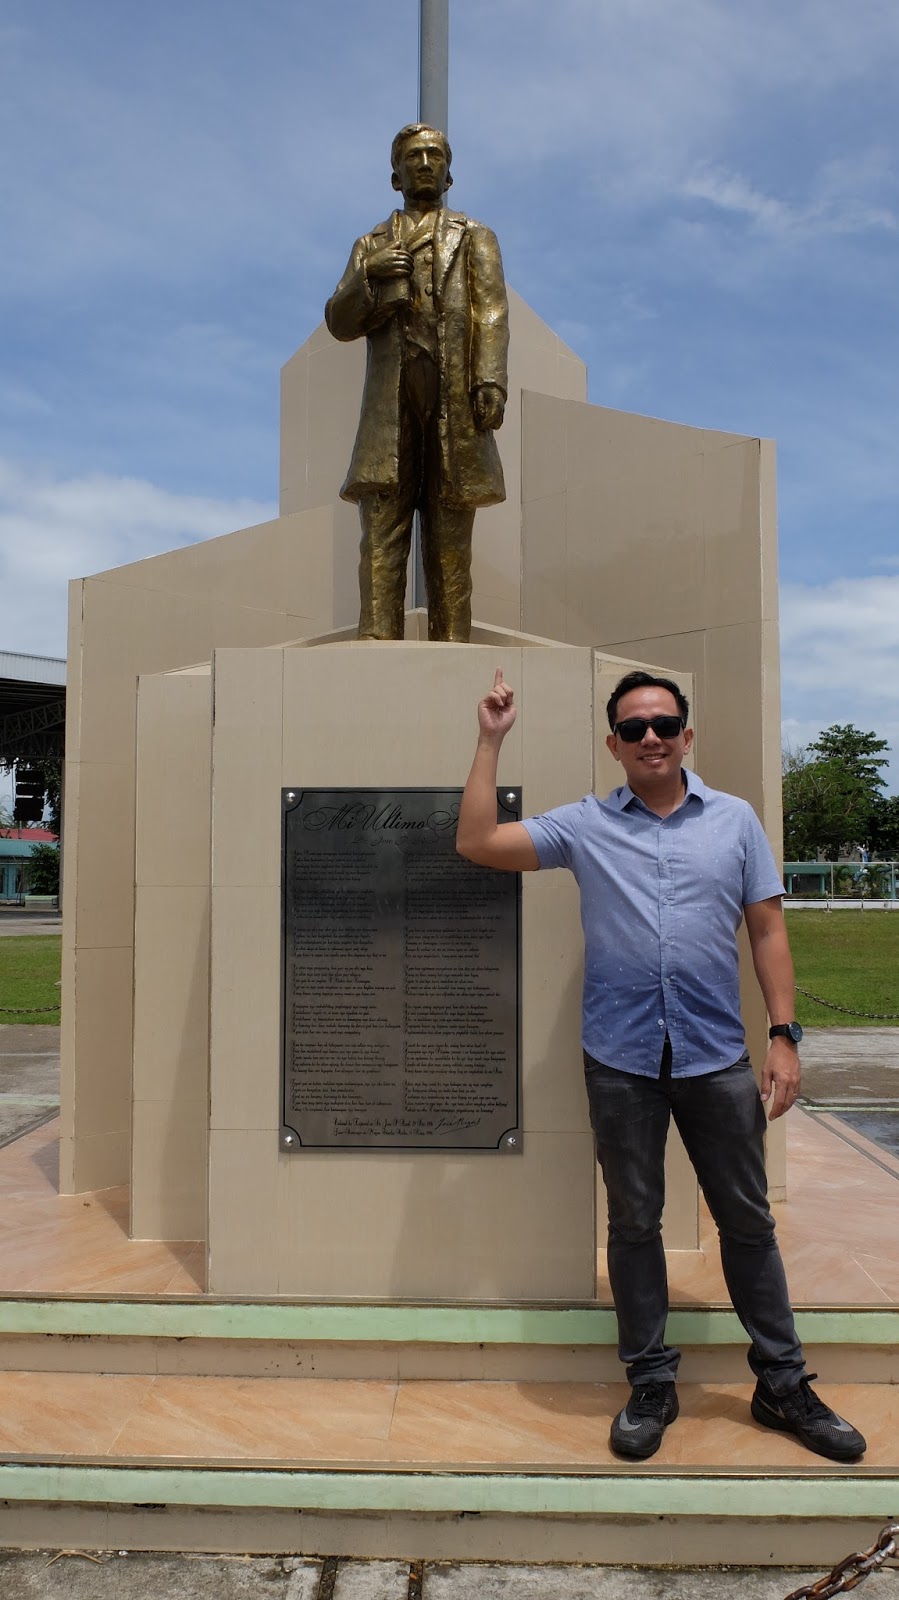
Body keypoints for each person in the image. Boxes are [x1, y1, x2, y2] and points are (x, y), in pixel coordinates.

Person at [456, 666, 867, 1464]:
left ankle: (781, 1384)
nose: (650, 737)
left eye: (663, 724)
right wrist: (489, 740)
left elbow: (767, 931)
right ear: (613, 744)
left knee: (747, 1223)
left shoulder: (736, 822)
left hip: (715, 1058)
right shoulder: (584, 825)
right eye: (634, 727)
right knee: (633, 1224)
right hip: (620, 1059)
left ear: (686, 735)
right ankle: (650, 1382)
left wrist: (784, 1035)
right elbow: (476, 842)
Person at [325, 123, 508, 643]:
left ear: (450, 172)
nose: (424, 163)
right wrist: (371, 277)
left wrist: (489, 379)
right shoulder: (371, 244)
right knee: (381, 530)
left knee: (451, 534)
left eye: (434, 155)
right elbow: (339, 321)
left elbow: (491, 310)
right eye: (413, 157)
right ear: (394, 175)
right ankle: (377, 642)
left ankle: (453, 645)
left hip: (454, 403)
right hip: (392, 404)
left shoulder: (474, 236)